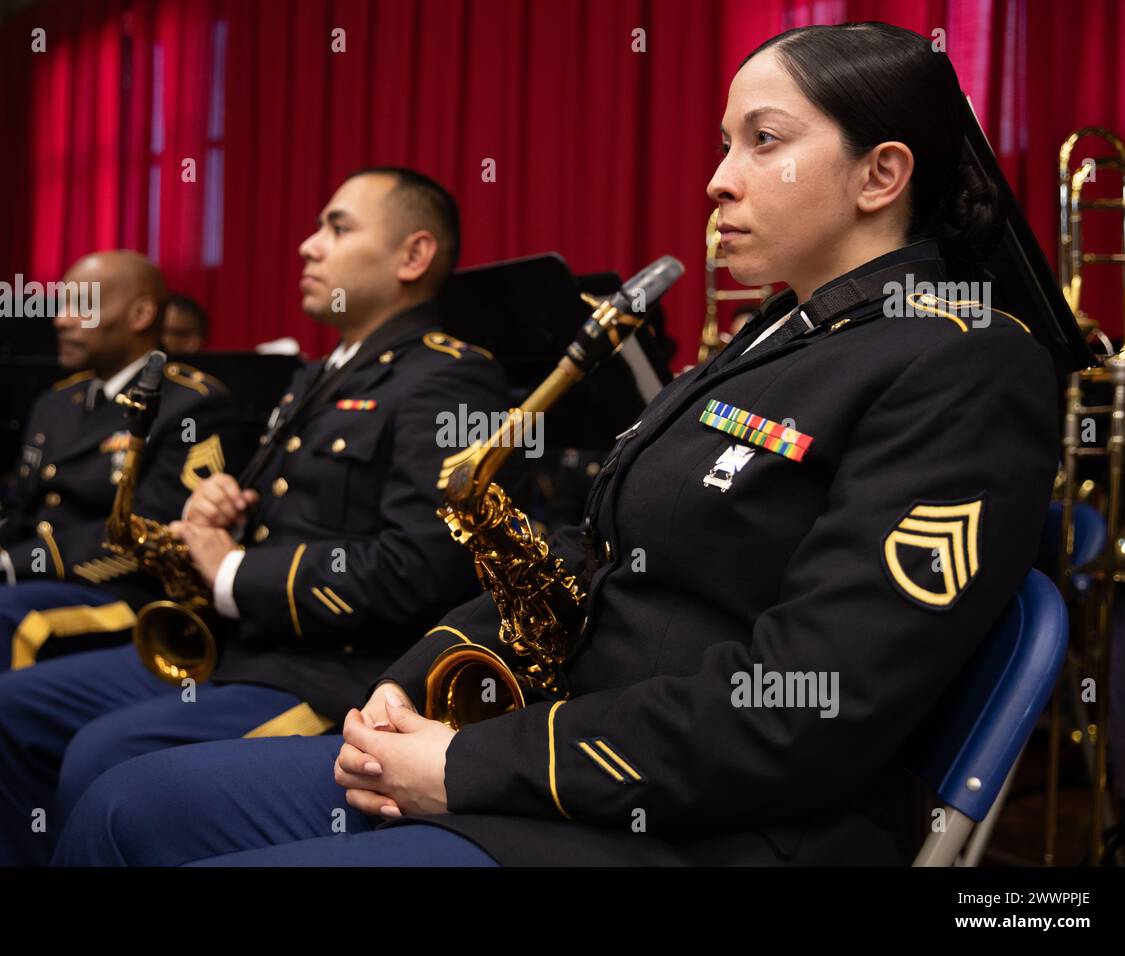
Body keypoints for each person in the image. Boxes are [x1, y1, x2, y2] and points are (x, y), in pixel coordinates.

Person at [55, 22, 1063, 867]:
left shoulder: (961, 362)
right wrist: (405, 688)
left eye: (762, 140)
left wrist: (462, 764)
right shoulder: (777, 337)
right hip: (568, 764)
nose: (717, 180)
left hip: (724, 830)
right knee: (128, 806)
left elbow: (804, 709)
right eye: (722, 144)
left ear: (881, 173)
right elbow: (584, 562)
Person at [0, 167, 515, 865]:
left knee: (101, 755)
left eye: (338, 227)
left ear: (413, 257)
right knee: (3, 713)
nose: (307, 245)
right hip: (239, 644)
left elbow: (420, 570)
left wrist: (232, 568)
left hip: (334, 676)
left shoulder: (449, 376)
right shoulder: (328, 373)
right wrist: (222, 511)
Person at [0, 249, 241, 865]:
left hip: (129, 596)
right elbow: (20, 510)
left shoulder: (191, 403)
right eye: (60, 303)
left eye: (81, 305)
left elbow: (148, 531)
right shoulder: (58, 401)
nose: (60, 318)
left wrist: (1, 568)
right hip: (43, 579)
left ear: (140, 313)